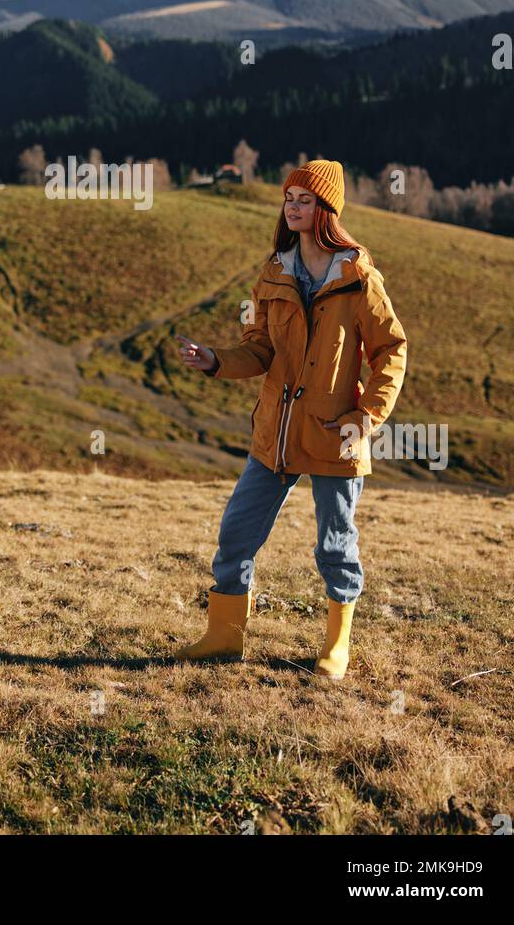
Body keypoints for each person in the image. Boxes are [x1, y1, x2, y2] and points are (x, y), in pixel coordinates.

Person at [174, 158, 407, 680]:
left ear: (326, 209)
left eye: (305, 200)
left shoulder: (357, 277)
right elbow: (259, 350)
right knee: (236, 532)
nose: (294, 207)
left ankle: (336, 646)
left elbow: (391, 350)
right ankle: (223, 637)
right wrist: (215, 360)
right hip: (275, 433)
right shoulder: (274, 271)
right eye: (289, 199)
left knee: (335, 544)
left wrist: (366, 416)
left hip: (335, 434)